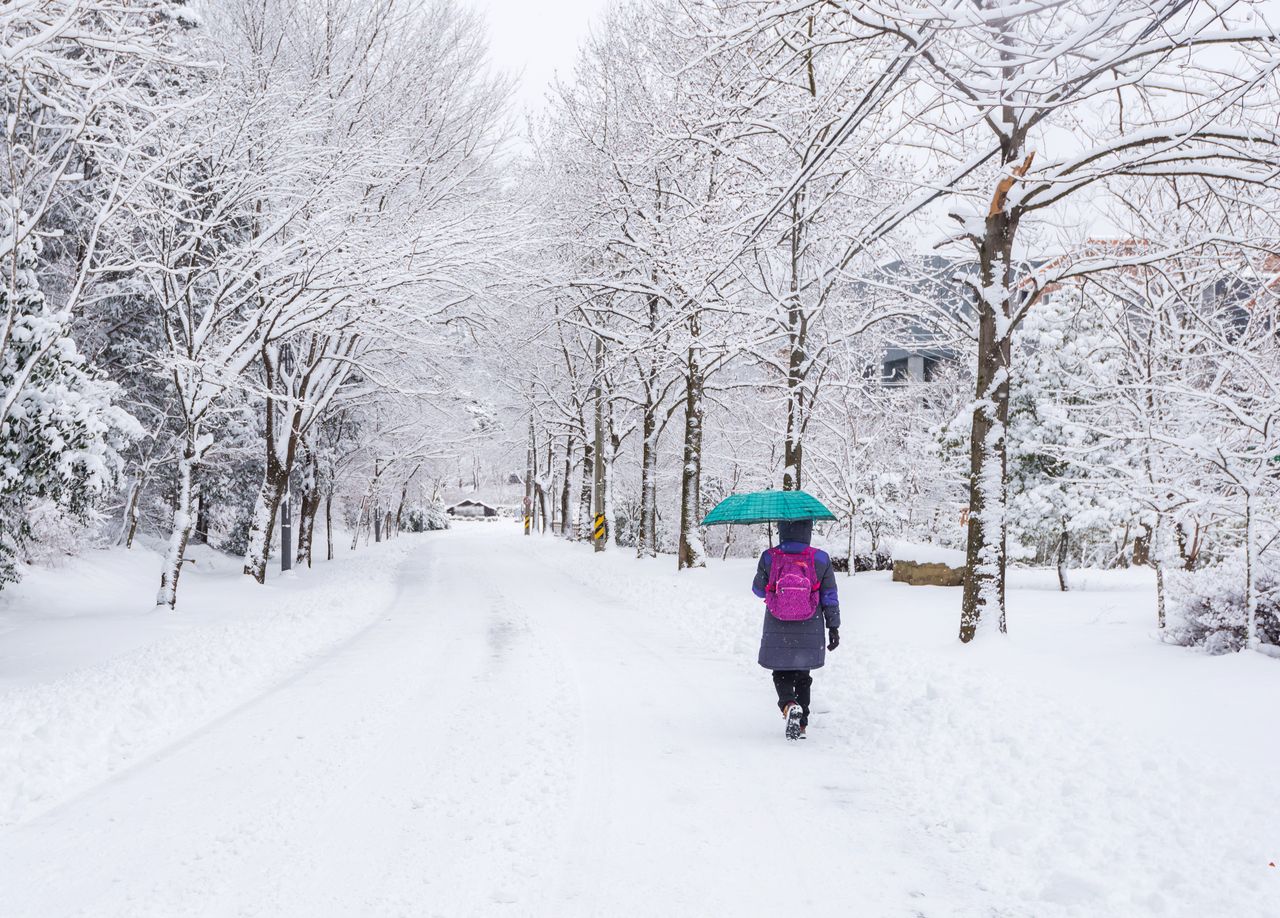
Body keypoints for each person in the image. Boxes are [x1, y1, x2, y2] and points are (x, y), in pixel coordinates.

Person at [752, 518, 840, 740]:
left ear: (781, 528)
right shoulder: (820, 558)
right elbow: (829, 596)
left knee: (781, 671)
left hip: (777, 623)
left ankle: (789, 705)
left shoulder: (769, 556)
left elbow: (758, 590)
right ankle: (801, 725)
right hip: (809, 624)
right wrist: (833, 626)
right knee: (803, 673)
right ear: (808, 529)